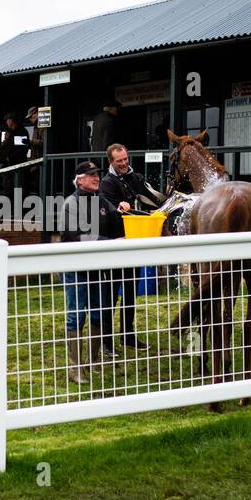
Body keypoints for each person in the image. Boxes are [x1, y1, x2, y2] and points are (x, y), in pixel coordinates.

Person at [59, 160, 125, 380]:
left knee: (98, 314)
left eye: (97, 174)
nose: (97, 178)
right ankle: (76, 368)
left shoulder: (102, 201)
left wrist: (123, 212)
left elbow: (116, 226)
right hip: (76, 268)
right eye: (91, 175)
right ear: (79, 180)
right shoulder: (70, 203)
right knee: (76, 316)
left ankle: (94, 362)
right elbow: (75, 236)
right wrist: (111, 241)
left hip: (97, 269)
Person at [98, 144, 157, 350]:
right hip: (115, 243)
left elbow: (148, 200)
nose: (123, 163)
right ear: (111, 162)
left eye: (125, 159)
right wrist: (120, 208)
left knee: (130, 293)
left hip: (134, 242)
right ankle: (106, 341)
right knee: (111, 295)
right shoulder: (106, 182)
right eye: (119, 161)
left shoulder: (135, 177)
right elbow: (108, 207)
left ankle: (128, 336)